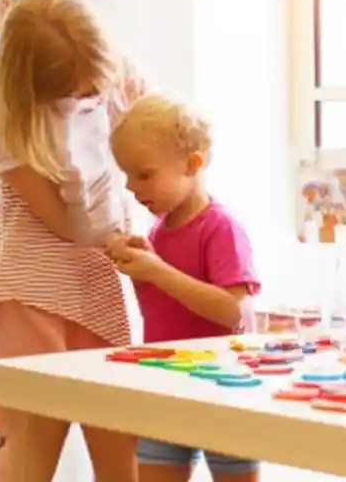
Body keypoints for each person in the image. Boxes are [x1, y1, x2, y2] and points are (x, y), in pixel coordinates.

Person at [0, 0, 144, 481]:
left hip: (100, 280)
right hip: (31, 286)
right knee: (30, 438)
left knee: (119, 432)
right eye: (75, 94)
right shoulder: (6, 120)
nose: (89, 99)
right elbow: (66, 224)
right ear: (35, 90)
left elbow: (151, 150)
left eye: (94, 88)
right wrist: (84, 184)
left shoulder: (116, 78)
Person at [108, 94, 261, 482]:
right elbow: (165, 311)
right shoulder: (159, 230)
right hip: (163, 383)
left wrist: (157, 271)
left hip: (222, 386)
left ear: (193, 165)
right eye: (127, 176)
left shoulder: (220, 227)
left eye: (144, 174)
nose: (132, 187)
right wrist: (142, 268)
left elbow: (234, 312)